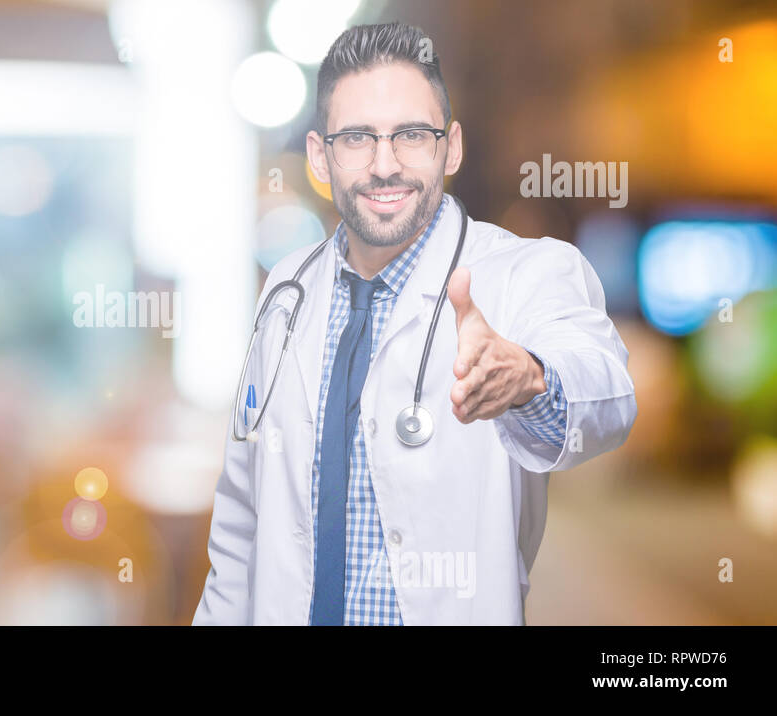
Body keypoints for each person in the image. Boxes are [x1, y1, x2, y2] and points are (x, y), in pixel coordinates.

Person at [193, 21, 637, 625]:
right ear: (321, 156)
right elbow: (240, 525)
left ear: (450, 147)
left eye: (410, 135)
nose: (384, 165)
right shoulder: (286, 289)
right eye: (356, 138)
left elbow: (605, 394)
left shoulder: (525, 273)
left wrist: (531, 378)